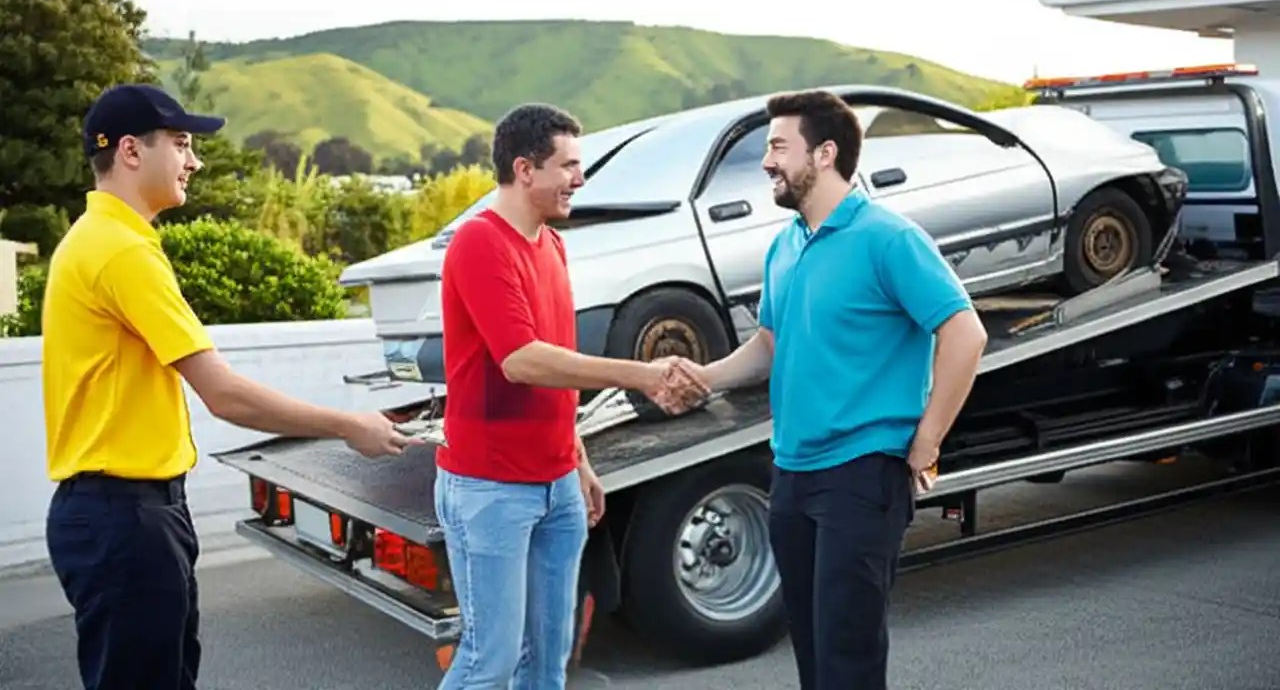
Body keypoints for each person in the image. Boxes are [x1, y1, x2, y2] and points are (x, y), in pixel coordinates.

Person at [42, 83, 424, 690]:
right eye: (182, 143)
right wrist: (349, 424)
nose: (194, 161)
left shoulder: (97, 241)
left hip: (117, 512)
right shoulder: (121, 253)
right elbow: (225, 395)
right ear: (132, 152)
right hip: (125, 519)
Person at [674, 90, 988, 690]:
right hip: (792, 473)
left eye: (777, 146)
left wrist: (927, 440)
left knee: (849, 659)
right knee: (815, 654)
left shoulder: (888, 238)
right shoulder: (785, 244)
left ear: (823, 153)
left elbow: (964, 333)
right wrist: (705, 379)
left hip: (862, 475)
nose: (766, 161)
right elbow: (771, 344)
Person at [434, 102, 707, 689]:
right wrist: (643, 374)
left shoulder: (551, 246)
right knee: (490, 660)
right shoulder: (480, 244)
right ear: (525, 169)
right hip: (492, 488)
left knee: (548, 658)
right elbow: (522, 360)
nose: (580, 180)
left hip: (556, 484)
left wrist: (577, 457)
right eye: (569, 166)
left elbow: (558, 361)